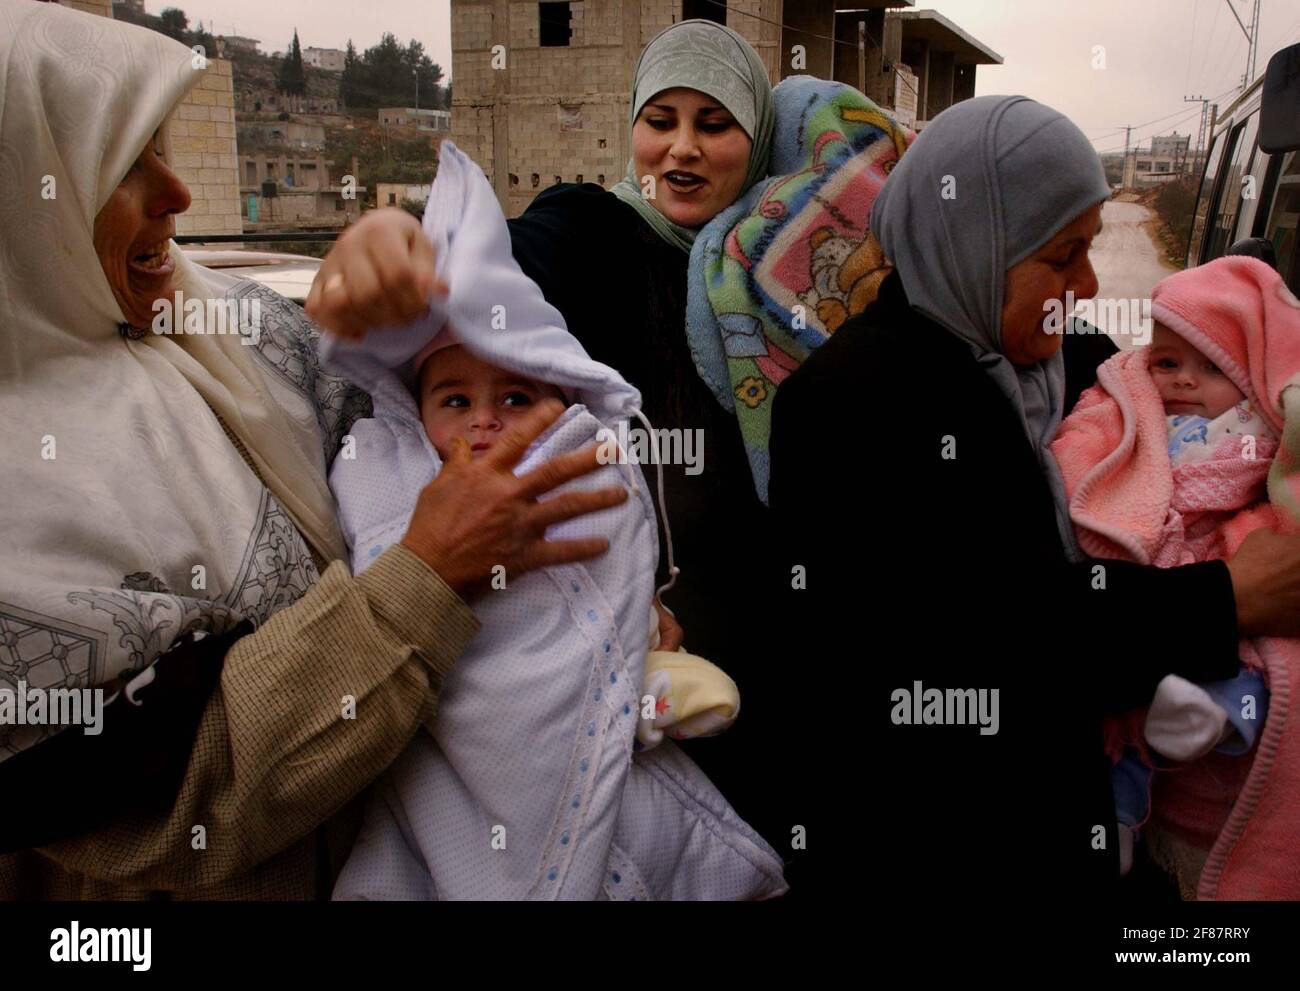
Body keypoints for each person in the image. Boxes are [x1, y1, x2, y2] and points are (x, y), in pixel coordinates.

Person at [0, 0, 624, 900]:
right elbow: (185, 804)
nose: (176, 193)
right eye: (124, 163)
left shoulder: (224, 323)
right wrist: (424, 577)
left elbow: (413, 435)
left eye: (163, 149)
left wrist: (600, 619)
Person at [767, 95, 1300, 915]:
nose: (1085, 288)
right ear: (974, 245)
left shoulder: (1082, 366)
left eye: (1089, 253)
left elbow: (1217, 442)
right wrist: (1225, 600)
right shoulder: (847, 408)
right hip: (942, 861)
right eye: (1060, 258)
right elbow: (970, 648)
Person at [306, 19, 795, 856]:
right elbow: (497, 270)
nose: (679, 149)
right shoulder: (594, 228)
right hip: (617, 657)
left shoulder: (766, 280)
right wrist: (400, 251)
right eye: (659, 119)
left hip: (741, 674)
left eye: (713, 125)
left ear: (756, 140)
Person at [1051, 255, 1300, 897]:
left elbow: (1269, 493)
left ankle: (1219, 714)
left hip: (1224, 549)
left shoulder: (1253, 432)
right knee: (1120, 736)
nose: (1185, 382)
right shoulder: (1129, 407)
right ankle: (1123, 816)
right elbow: (1091, 446)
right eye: (1167, 364)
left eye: (1213, 367)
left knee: (1257, 667)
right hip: (1161, 568)